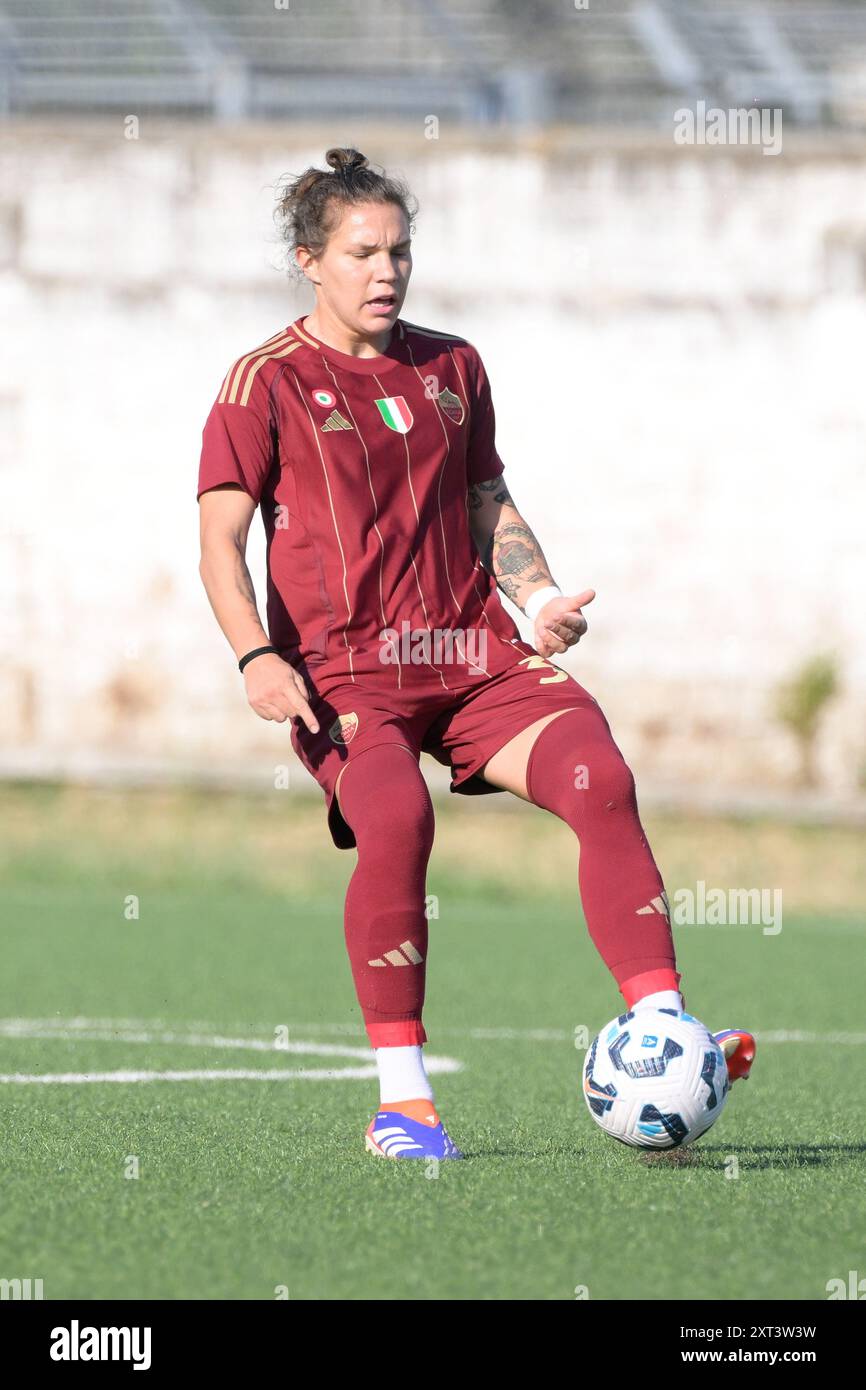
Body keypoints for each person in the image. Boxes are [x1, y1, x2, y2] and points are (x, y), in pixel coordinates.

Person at [197, 147, 755, 1160]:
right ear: (308, 260)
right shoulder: (260, 383)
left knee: (599, 774)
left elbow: (481, 497)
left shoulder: (451, 365)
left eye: (399, 251)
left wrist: (533, 596)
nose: (386, 271)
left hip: (468, 653)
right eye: (362, 253)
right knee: (395, 817)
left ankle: (665, 1027)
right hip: (339, 673)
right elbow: (218, 541)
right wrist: (252, 658)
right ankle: (402, 1104)